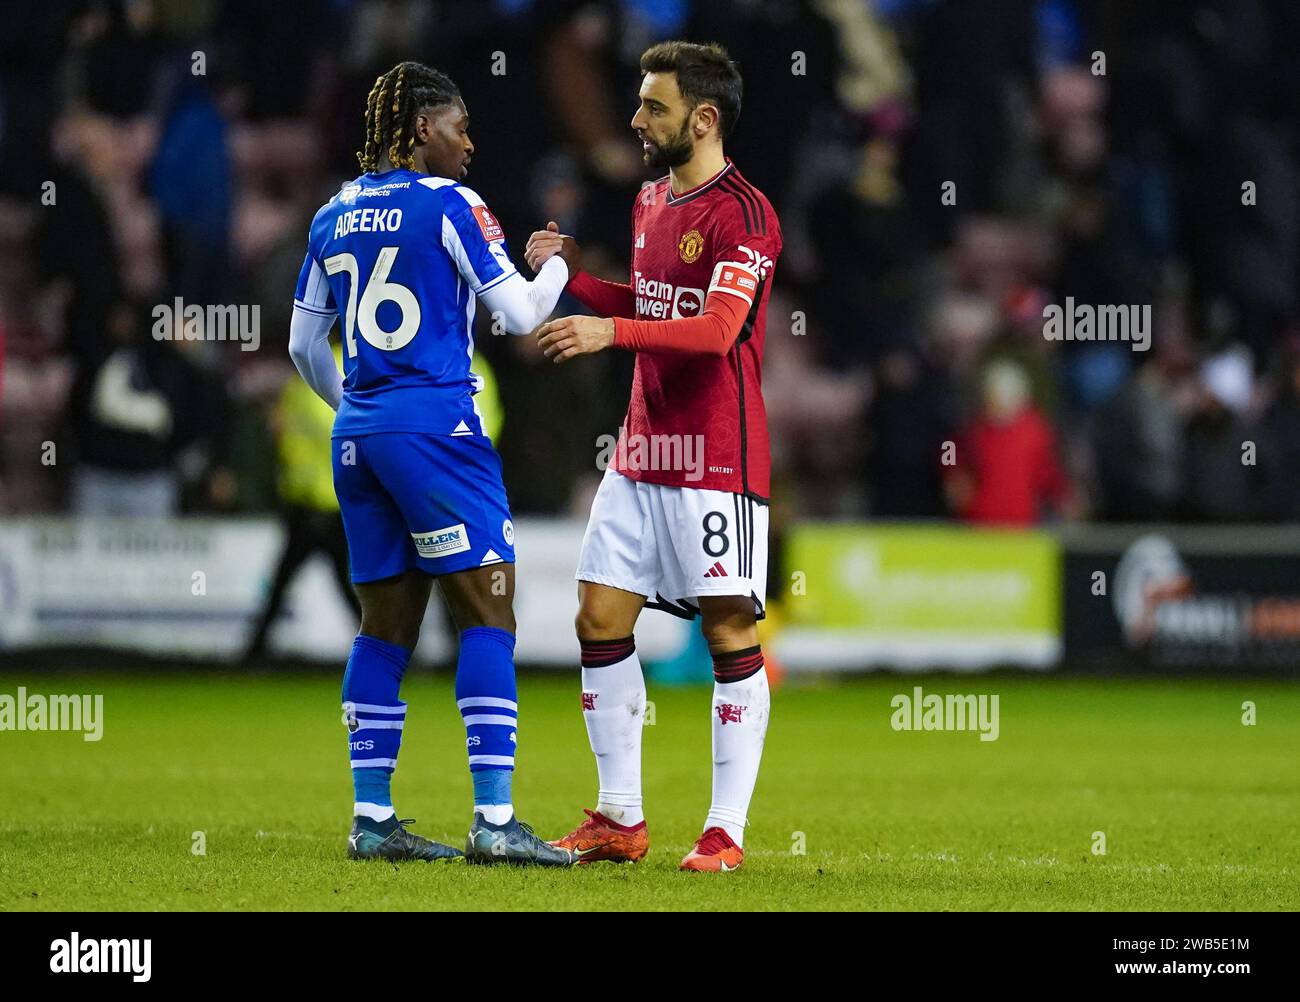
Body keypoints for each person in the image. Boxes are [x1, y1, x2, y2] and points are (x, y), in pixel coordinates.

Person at [288, 61, 573, 866]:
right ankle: (495, 822)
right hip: (438, 431)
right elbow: (518, 314)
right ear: (422, 129)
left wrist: (360, 408)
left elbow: (304, 346)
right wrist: (552, 263)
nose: (471, 144)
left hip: (359, 438)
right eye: (459, 126)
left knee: (384, 630)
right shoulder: (452, 204)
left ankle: (372, 820)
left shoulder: (332, 214)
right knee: (489, 613)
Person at [526, 41, 782, 873]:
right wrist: (576, 280)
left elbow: (712, 332)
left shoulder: (745, 215)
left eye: (654, 107)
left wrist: (608, 332)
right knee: (598, 620)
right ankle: (620, 819)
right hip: (641, 452)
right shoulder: (646, 201)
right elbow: (653, 304)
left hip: (716, 456)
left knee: (728, 629)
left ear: (703, 119)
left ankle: (725, 831)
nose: (635, 119)